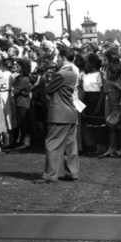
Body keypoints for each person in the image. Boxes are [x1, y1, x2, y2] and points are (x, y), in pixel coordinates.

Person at [35, 47, 80, 184]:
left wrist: (45, 79)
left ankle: (50, 174)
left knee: (52, 144)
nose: (56, 61)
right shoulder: (72, 72)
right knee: (70, 145)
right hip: (70, 113)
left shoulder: (61, 74)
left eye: (58, 58)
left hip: (59, 114)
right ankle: (72, 173)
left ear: (63, 58)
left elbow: (48, 89)